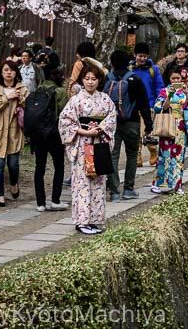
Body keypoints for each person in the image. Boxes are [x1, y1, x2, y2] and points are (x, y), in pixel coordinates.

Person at [58, 59, 116, 235]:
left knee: (98, 181)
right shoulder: (75, 100)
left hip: (98, 144)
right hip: (82, 145)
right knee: (82, 183)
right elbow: (64, 122)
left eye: (94, 78)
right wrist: (84, 132)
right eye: (87, 78)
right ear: (82, 80)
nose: (90, 81)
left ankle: (94, 219)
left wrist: (100, 129)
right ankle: (81, 221)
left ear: (99, 80)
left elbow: (111, 119)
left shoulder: (105, 99)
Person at [105, 50, 152, 202]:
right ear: (128, 62)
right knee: (132, 154)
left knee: (113, 155)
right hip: (131, 121)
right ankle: (128, 189)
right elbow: (144, 104)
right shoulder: (135, 79)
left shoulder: (107, 78)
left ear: (112, 62)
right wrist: (148, 125)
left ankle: (114, 191)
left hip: (111, 122)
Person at [0, 59, 29, 206]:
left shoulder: (22, 88)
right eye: (5, 70)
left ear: (16, 72)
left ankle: (14, 183)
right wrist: (7, 98)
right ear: (1, 72)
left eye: (11, 70)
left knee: (13, 164)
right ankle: (0, 195)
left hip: (14, 132)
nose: (9, 73)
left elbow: (28, 107)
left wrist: (20, 100)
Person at [29, 66, 68, 212]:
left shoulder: (37, 90)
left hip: (37, 134)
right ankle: (55, 200)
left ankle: (40, 203)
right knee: (59, 165)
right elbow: (64, 114)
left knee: (39, 167)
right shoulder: (61, 92)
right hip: (53, 133)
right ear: (56, 76)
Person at [152, 68, 188, 194]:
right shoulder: (164, 91)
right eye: (173, 78)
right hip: (167, 123)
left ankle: (177, 184)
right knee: (163, 155)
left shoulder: (185, 92)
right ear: (169, 79)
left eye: (178, 78)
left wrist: (187, 94)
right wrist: (169, 96)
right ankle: (159, 183)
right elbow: (159, 108)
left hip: (181, 126)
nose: (176, 80)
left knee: (178, 156)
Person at [131, 42, 164, 168]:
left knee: (148, 131)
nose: (142, 58)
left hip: (149, 105)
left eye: (145, 56)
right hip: (134, 106)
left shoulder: (153, 69)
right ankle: (138, 155)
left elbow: (158, 86)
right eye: (140, 56)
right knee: (136, 132)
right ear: (135, 55)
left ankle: (153, 151)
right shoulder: (130, 69)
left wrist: (159, 102)